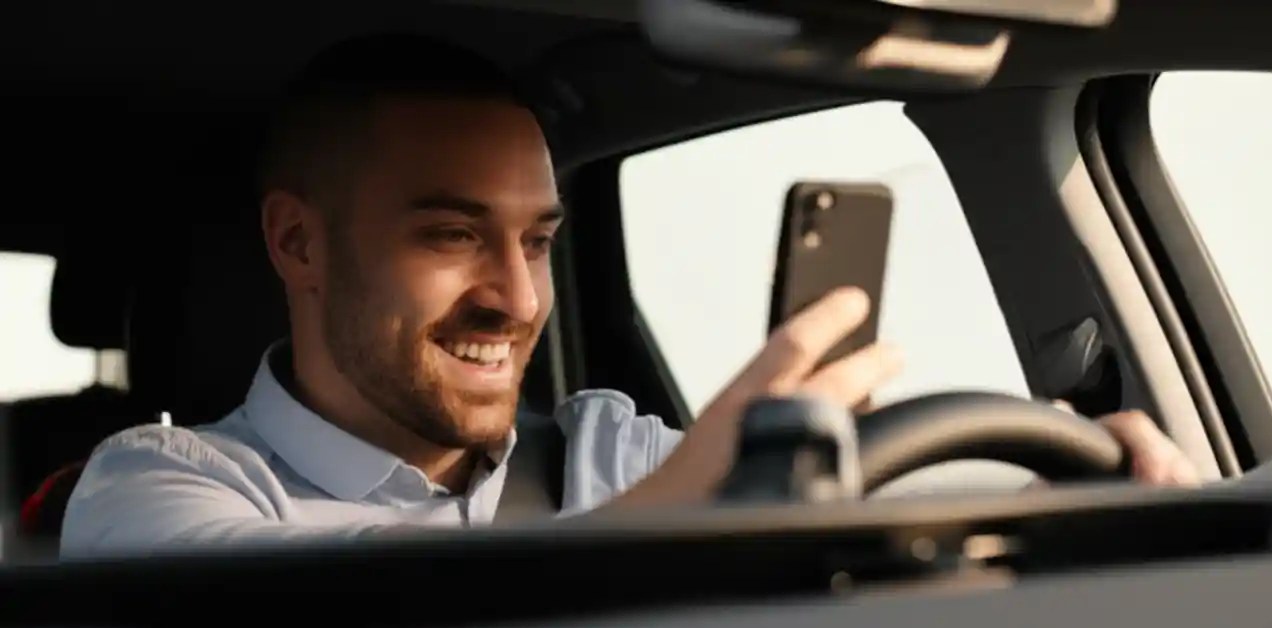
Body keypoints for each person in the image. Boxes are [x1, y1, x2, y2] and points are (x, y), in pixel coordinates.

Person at [59, 34, 1199, 558]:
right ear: (298, 244)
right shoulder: (152, 487)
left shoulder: (607, 451)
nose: (513, 298)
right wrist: (695, 505)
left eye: (538, 241)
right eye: (453, 235)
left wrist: (1081, 492)